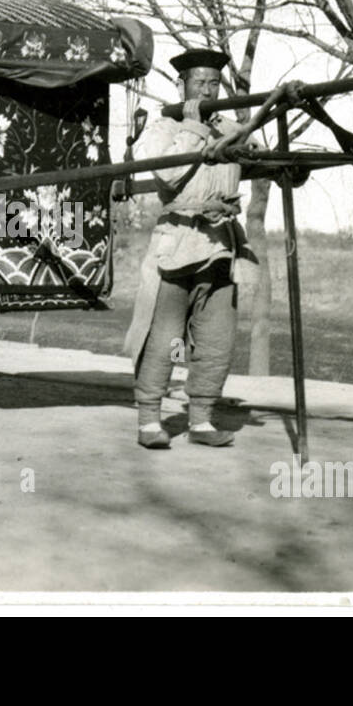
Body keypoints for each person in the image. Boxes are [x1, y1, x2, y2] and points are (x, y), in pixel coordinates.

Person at [122, 49, 260, 449]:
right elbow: (169, 171)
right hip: (177, 243)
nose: (208, 90)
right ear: (181, 86)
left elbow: (256, 166)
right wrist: (194, 124)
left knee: (217, 340)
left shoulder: (233, 127)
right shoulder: (161, 129)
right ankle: (149, 419)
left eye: (214, 83)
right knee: (163, 339)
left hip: (220, 246)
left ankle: (201, 419)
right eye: (199, 83)